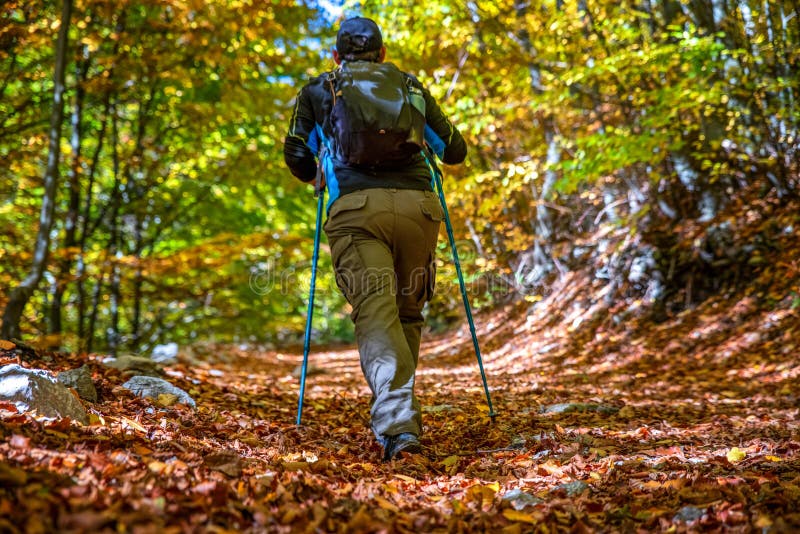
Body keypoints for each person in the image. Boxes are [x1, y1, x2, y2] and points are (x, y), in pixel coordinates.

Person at [283, 16, 467, 461]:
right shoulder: (410, 87)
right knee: (405, 313)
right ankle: (397, 416)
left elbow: (296, 154)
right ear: (382, 54)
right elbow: (455, 150)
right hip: (419, 211)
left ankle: (399, 426)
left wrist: (316, 172)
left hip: (356, 211)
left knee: (377, 314)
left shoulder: (318, 90)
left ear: (336, 56)